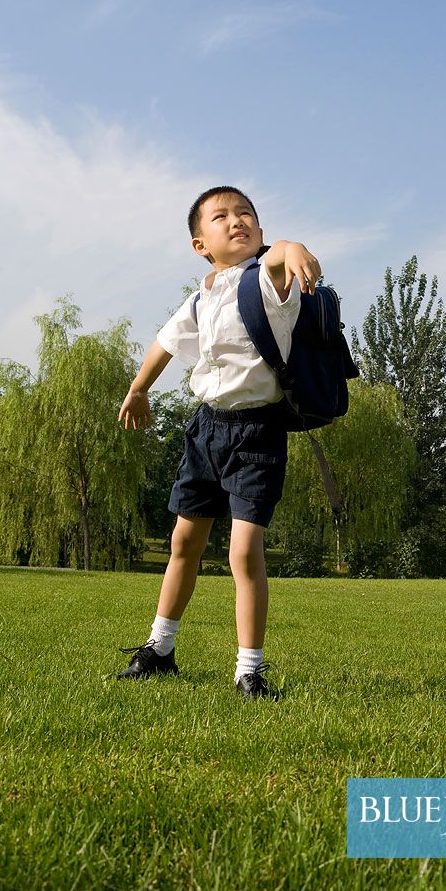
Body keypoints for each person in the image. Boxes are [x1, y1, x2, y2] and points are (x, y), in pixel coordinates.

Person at [116, 185, 321, 698]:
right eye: (222, 216)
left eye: (246, 213)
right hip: (205, 429)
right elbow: (165, 343)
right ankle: (159, 649)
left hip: (257, 432)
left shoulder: (267, 284)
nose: (238, 221)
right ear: (199, 243)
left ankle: (249, 670)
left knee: (243, 552)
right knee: (183, 542)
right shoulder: (203, 294)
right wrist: (138, 390)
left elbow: (280, 260)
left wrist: (289, 247)